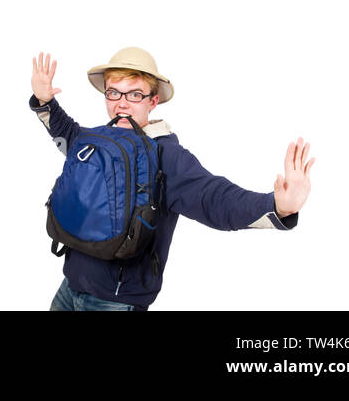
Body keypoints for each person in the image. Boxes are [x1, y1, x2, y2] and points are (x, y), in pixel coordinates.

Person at [29, 47, 315, 311]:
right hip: (70, 284)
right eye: (113, 93)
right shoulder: (101, 138)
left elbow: (213, 198)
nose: (122, 104)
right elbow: (69, 138)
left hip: (114, 302)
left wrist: (278, 206)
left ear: (153, 101)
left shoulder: (166, 155)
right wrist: (45, 101)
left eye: (135, 94)